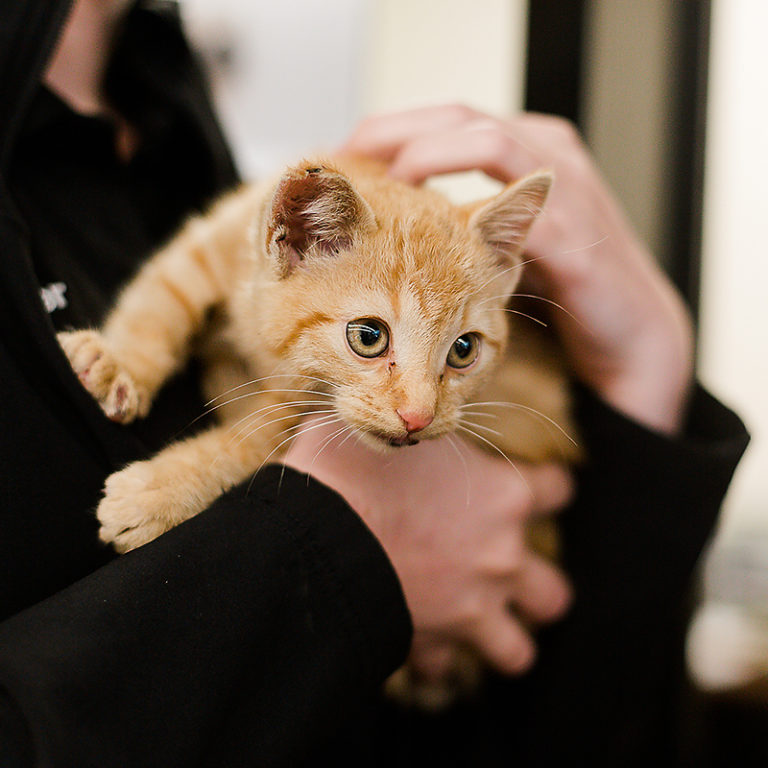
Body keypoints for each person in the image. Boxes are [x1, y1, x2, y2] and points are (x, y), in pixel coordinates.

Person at [0, 1, 748, 766]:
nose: (419, 409)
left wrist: (649, 364)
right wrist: (332, 547)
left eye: (459, 353)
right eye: (371, 337)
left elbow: (533, 725)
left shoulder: (165, 101)